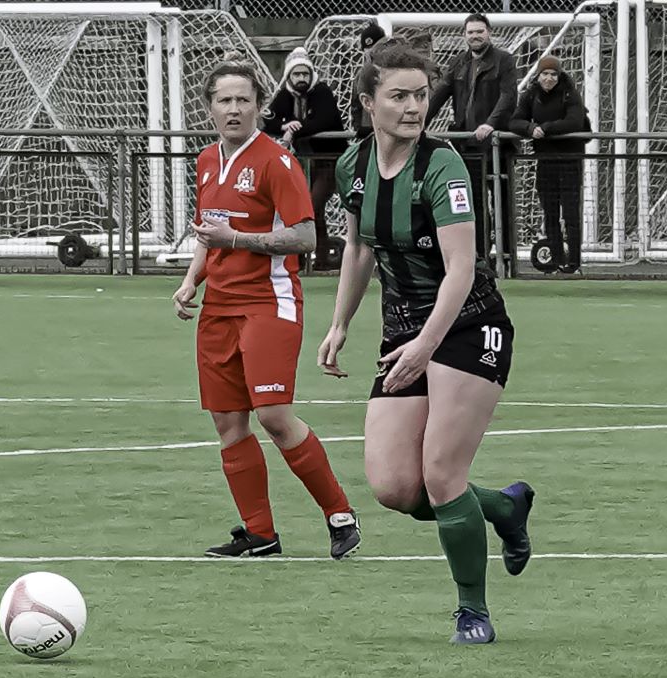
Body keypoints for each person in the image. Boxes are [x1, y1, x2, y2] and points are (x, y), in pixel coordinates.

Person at [319, 38, 535, 645]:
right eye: (399, 96)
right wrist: (340, 324)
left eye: (420, 95)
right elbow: (360, 247)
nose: (414, 107)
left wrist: (424, 346)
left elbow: (462, 270)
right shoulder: (352, 165)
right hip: (403, 331)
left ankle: (473, 610)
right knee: (395, 488)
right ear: (368, 103)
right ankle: (503, 507)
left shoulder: (443, 166)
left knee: (441, 474)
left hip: (469, 325)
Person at [172, 58, 361, 560]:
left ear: (259, 105)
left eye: (243, 100)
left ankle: (339, 513)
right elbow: (206, 233)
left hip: (268, 304)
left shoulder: (277, 161)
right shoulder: (208, 160)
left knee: (274, 415)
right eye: (224, 100)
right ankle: (260, 534)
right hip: (219, 309)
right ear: (209, 107)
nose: (234, 109)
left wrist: (235, 237)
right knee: (228, 423)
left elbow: (305, 236)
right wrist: (192, 280)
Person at [426, 13, 518, 269]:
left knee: (503, 203)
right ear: (464, 35)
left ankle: (507, 259)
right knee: (473, 204)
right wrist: (417, 124)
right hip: (467, 146)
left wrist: (491, 123)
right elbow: (438, 96)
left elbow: (509, 96)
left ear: (489, 32)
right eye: (470, 32)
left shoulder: (504, 61)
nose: (475, 36)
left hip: (498, 146)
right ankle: (478, 259)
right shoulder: (458, 63)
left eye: (480, 31)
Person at [263, 47, 347, 270]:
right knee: (302, 208)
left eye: (305, 74)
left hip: (329, 160)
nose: (301, 79)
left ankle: (320, 256)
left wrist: (295, 131)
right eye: (297, 74)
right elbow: (266, 120)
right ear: (289, 76)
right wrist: (284, 126)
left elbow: (325, 121)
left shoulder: (322, 92)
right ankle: (303, 259)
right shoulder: (285, 95)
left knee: (313, 204)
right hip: (303, 163)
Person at [509, 54, 591, 273]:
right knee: (550, 211)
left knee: (571, 212)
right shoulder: (530, 95)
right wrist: (529, 129)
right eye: (545, 74)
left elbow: (574, 121)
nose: (549, 78)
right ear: (538, 75)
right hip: (545, 161)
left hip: (569, 160)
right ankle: (555, 258)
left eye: (553, 74)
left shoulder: (569, 93)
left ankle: (573, 261)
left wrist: (545, 128)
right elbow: (515, 120)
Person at [350, 21, 388, 140]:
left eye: (375, 47)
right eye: (368, 49)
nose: (371, 52)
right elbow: (355, 105)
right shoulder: (360, 76)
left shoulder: (395, 72)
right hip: (369, 134)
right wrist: (359, 127)